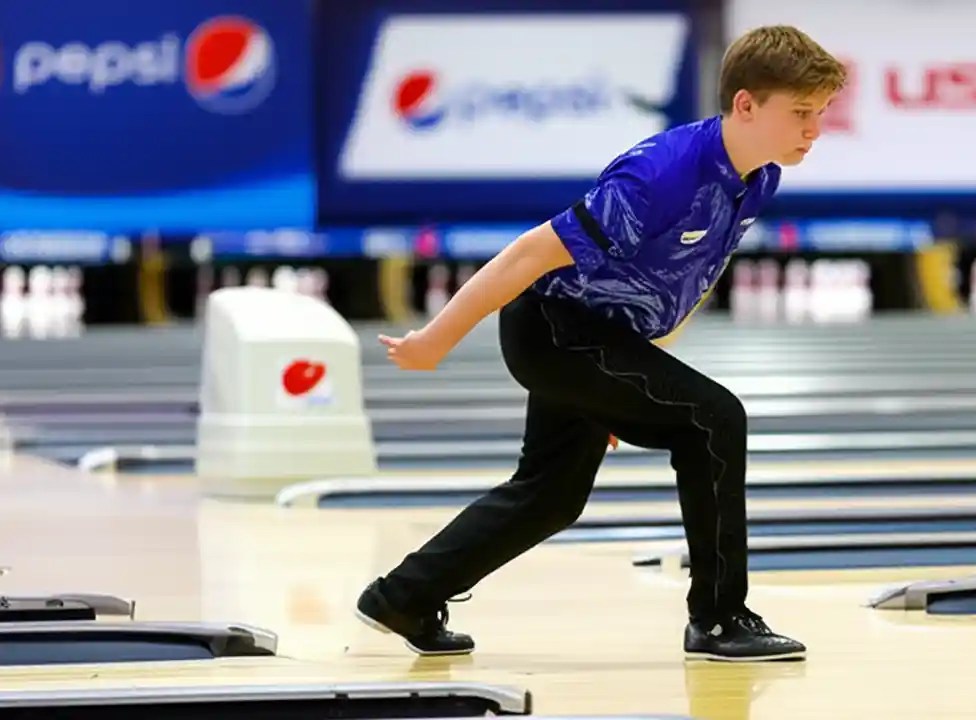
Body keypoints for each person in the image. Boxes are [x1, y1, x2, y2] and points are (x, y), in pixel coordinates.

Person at [355, 25, 847, 662]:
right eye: (801, 113)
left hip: (599, 341)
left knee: (552, 494)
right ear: (746, 104)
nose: (815, 129)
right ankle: (720, 620)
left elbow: (691, 275)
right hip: (555, 329)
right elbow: (529, 253)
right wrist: (435, 340)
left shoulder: (760, 176)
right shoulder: (662, 174)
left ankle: (406, 595)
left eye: (822, 113)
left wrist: (631, 383)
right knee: (715, 420)